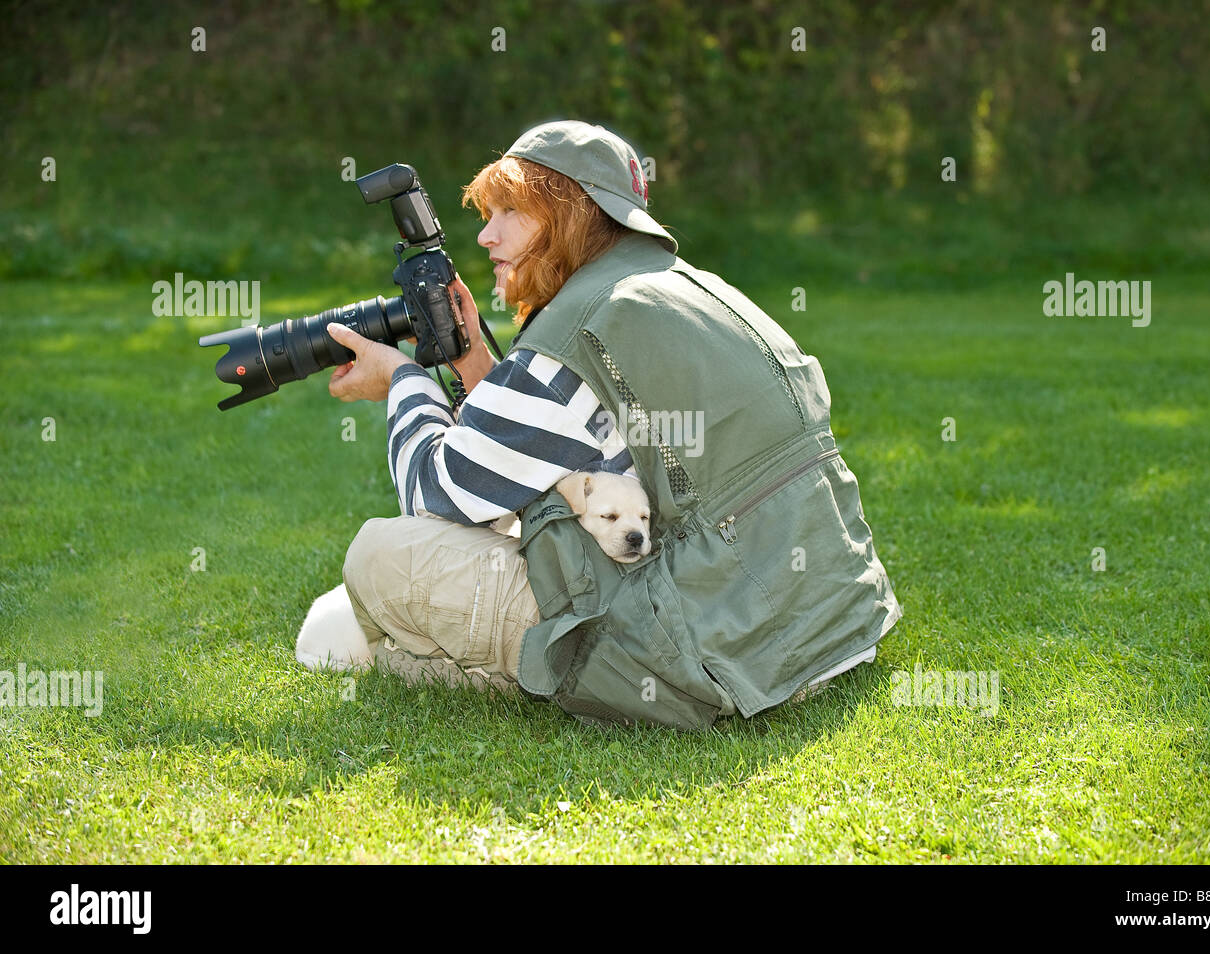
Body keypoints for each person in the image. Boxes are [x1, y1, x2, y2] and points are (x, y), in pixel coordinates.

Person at [300, 120, 902, 730]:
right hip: (832, 625)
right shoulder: (693, 291)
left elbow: (434, 495)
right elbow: (559, 439)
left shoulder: (577, 328)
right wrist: (472, 360)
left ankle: (473, 665)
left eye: (510, 210)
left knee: (380, 555)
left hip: (707, 652)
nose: (485, 235)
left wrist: (403, 381)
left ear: (574, 215)